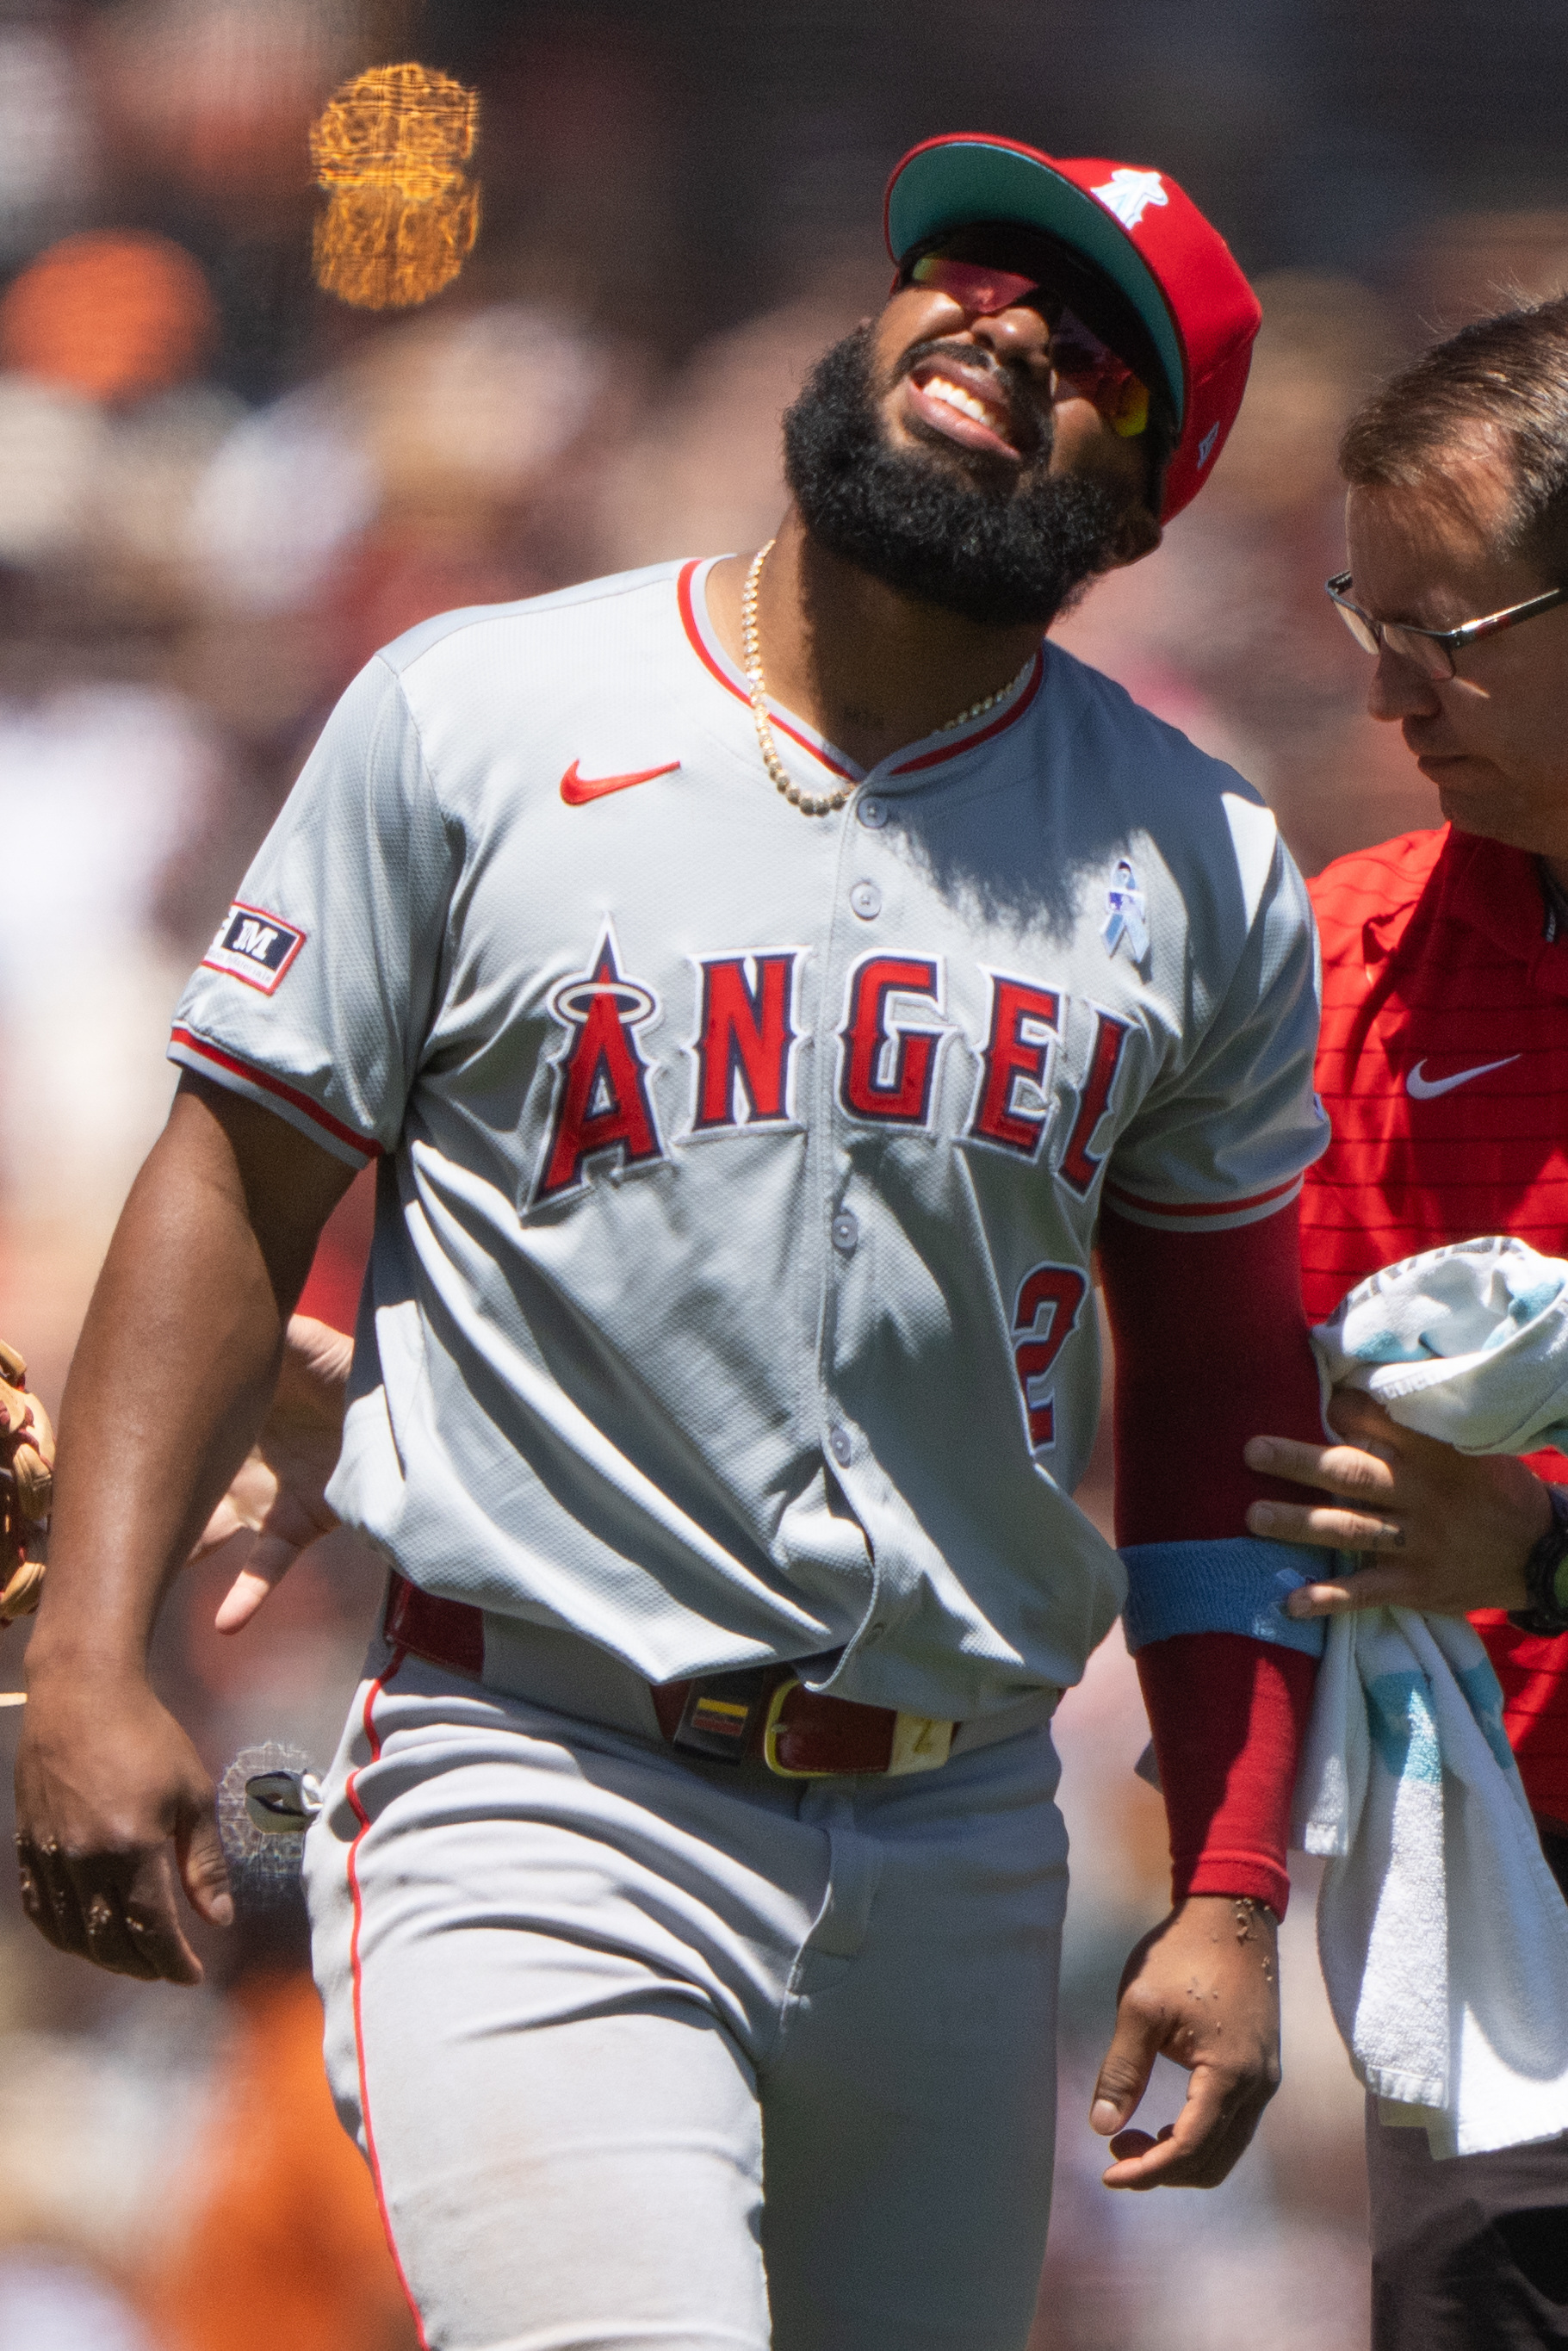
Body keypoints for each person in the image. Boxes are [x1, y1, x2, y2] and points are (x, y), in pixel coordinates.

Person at [15, 134, 1333, 2351]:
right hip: (541, 1776)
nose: (1003, 328)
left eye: (1090, 345)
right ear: (874, 323)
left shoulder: (1194, 853)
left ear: (1135, 506)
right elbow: (236, 1174)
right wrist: (88, 1657)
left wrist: (1221, 1880)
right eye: (969, 276)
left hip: (959, 1830)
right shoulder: (480, 711)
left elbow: (1215, 1406)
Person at [1242, 299, 1568, 2348]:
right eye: (1366, 613)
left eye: (1439, 632)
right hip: (1499, 1941)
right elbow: (1247, 1451)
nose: (1381, 690)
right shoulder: (1347, 959)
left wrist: (1536, 1554)